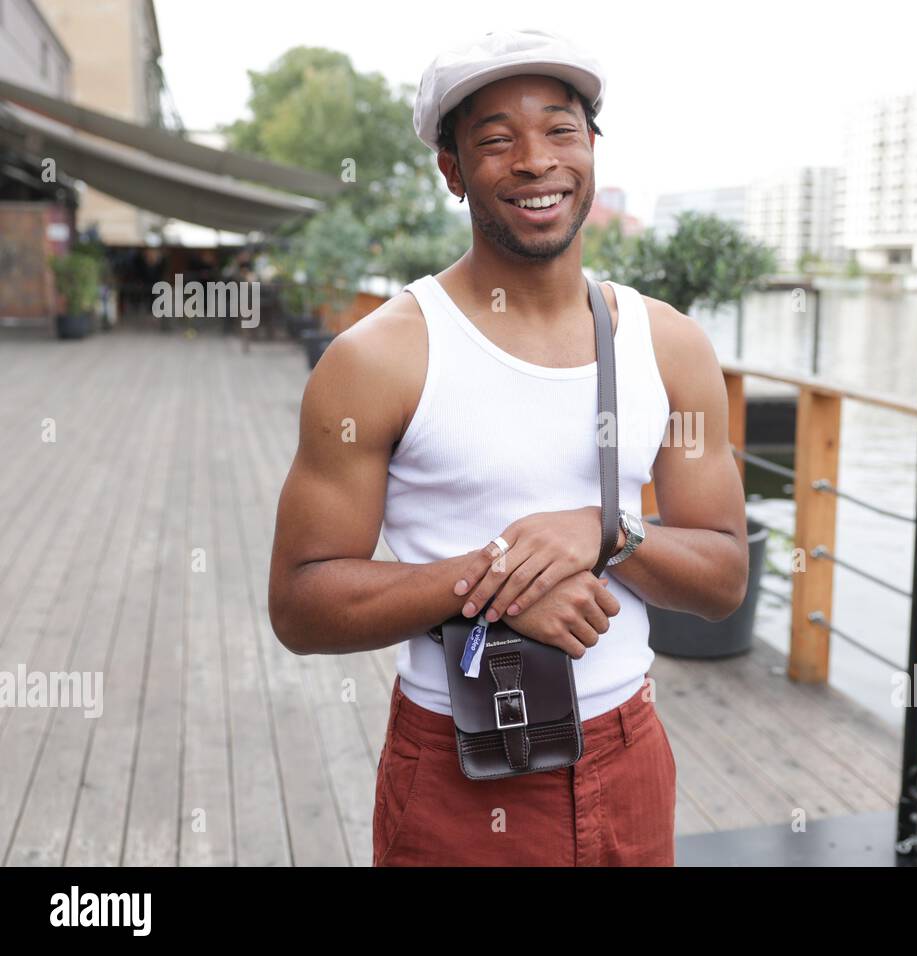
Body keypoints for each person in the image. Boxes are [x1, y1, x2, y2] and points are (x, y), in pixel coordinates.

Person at [267, 28, 749, 866]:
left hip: (629, 755)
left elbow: (723, 577)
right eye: (496, 139)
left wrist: (608, 533)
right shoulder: (378, 357)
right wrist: (491, 586)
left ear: (592, 147)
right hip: (458, 770)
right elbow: (301, 604)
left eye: (561, 130)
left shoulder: (668, 344)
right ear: (452, 170)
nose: (536, 161)